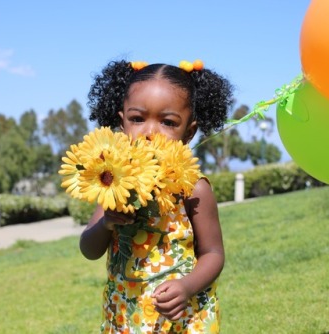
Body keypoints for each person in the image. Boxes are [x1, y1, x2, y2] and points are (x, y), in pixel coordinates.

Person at [79, 59, 234, 333]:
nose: (150, 132)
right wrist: (106, 224)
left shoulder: (194, 187)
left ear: (189, 132)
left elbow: (213, 253)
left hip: (182, 318)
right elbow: (89, 249)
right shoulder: (114, 183)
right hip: (127, 315)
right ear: (122, 122)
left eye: (168, 122)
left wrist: (187, 286)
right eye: (138, 119)